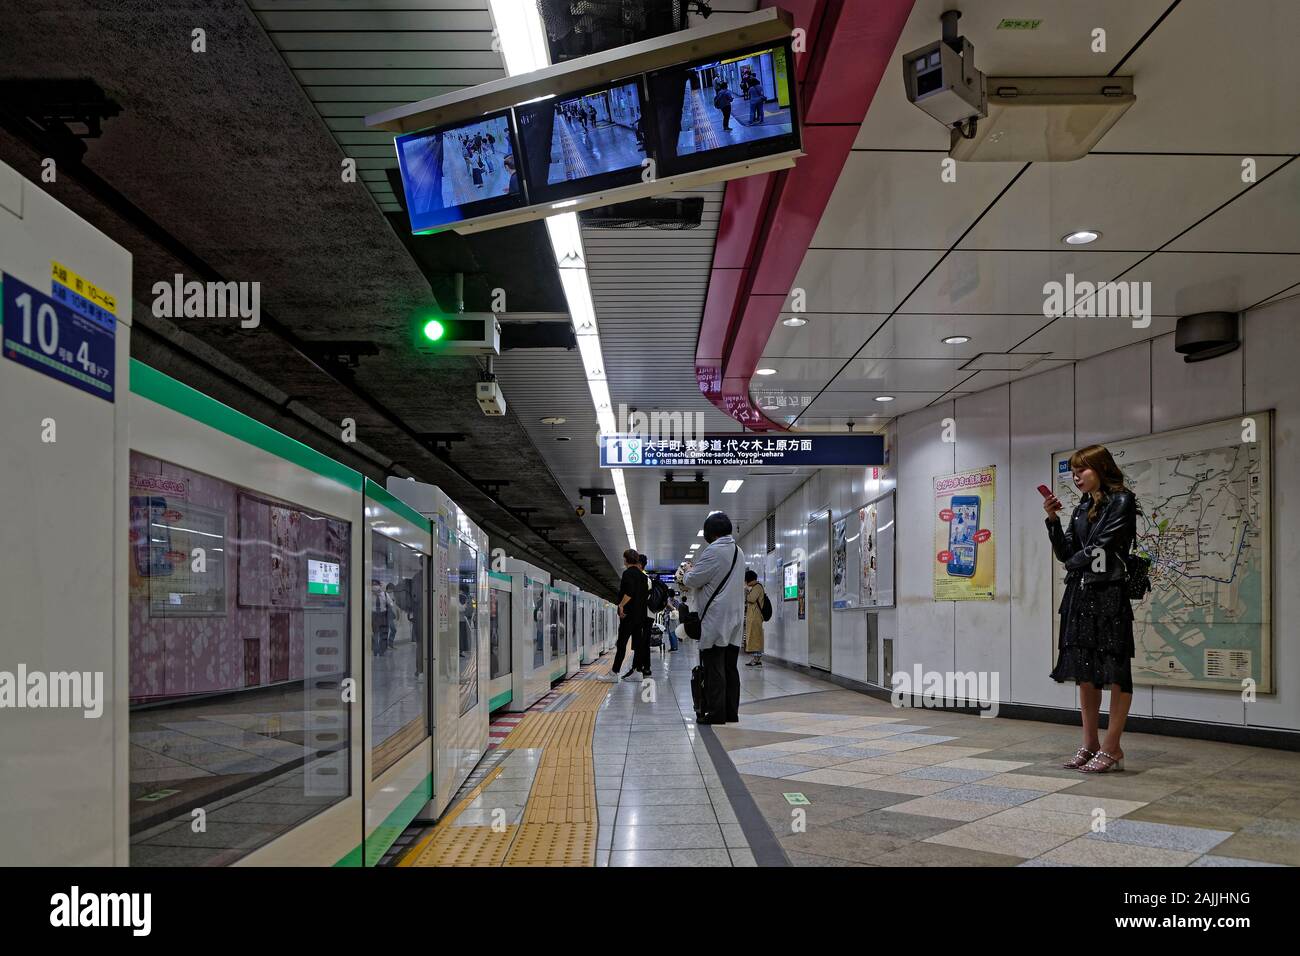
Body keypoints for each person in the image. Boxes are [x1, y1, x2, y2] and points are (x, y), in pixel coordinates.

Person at [1044, 444, 1139, 774]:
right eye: (1073, 471)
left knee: (1115, 670)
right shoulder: (1081, 507)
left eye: (1081, 470)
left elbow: (1104, 545)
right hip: (1081, 593)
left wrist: (1073, 562)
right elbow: (1066, 550)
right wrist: (1053, 519)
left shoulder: (1122, 501)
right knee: (1085, 670)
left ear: (1100, 468)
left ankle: (1112, 746)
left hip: (1110, 593)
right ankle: (1090, 743)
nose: (1076, 477)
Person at [684, 512, 745, 724]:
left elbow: (693, 579)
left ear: (710, 533)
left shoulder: (714, 551)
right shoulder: (739, 551)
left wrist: (687, 571)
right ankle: (730, 712)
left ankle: (716, 713)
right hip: (736, 617)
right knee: (730, 666)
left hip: (717, 618)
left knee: (714, 665)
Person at [611, 548, 648, 682]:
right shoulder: (643, 576)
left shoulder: (628, 573)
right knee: (638, 644)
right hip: (640, 616)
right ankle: (637, 671)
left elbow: (630, 593)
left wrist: (621, 605)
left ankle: (614, 672)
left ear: (626, 560)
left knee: (621, 644)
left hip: (629, 616)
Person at [633, 554, 654, 678]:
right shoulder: (646, 578)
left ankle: (645, 667)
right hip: (648, 614)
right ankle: (639, 665)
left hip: (644, 614)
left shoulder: (643, 578)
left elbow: (642, 598)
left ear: (639, 564)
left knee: (643, 641)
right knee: (641, 641)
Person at [743, 569, 766, 666]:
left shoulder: (757, 587)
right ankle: (756, 658)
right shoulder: (755, 587)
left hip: (756, 616)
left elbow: (751, 599)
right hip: (753, 616)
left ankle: (757, 659)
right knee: (754, 637)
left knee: (756, 638)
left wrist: (746, 592)